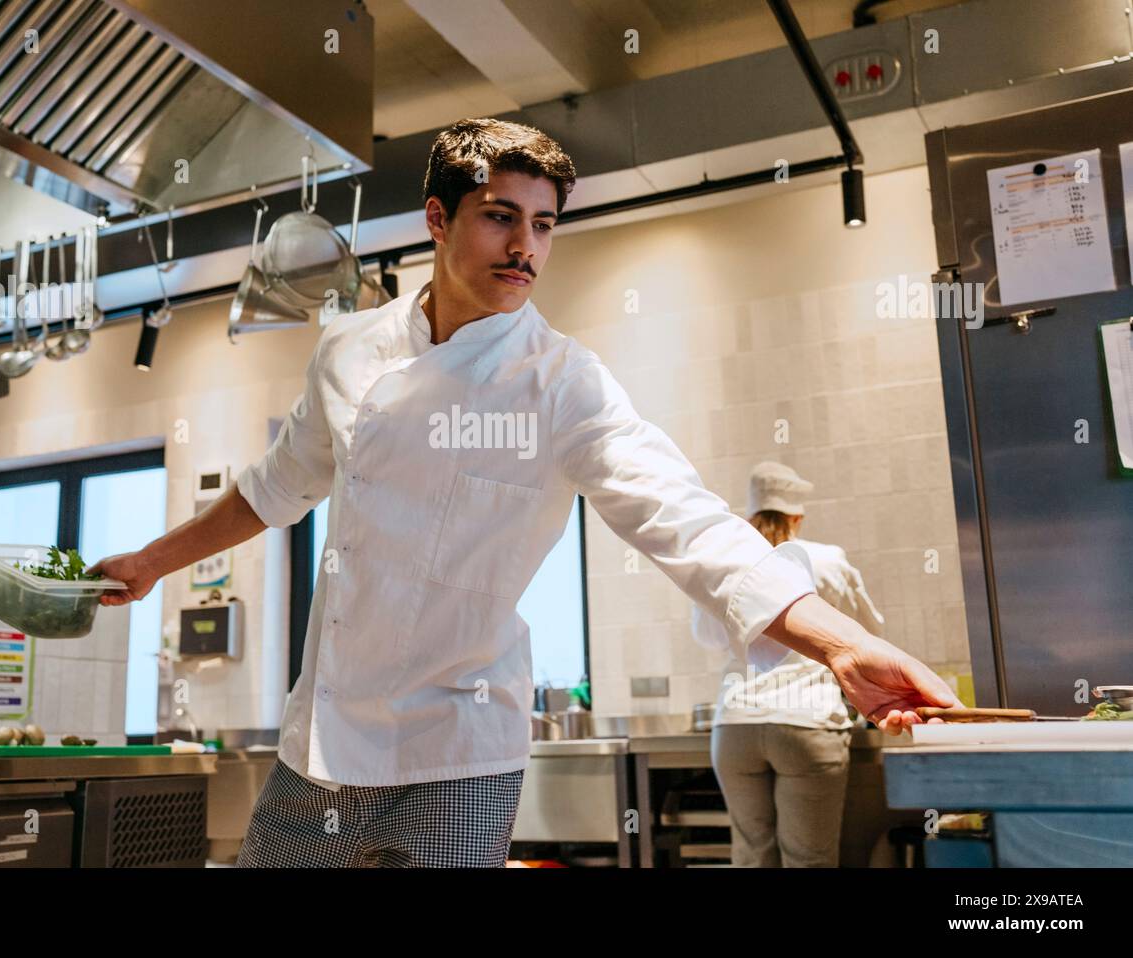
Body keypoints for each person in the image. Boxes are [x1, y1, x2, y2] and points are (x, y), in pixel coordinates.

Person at [88, 118, 958, 868]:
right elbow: (276, 487)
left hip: (462, 747)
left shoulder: (562, 384)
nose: (525, 248)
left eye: (544, 225)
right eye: (501, 217)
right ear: (437, 218)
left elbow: (684, 521)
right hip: (324, 738)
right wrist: (154, 562)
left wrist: (841, 644)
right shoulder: (348, 352)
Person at [693, 461, 886, 867]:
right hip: (806, 723)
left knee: (752, 857)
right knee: (808, 859)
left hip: (735, 729)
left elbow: (708, 639)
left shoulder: (728, 566)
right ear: (798, 517)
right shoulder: (828, 561)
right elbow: (867, 637)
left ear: (750, 516)